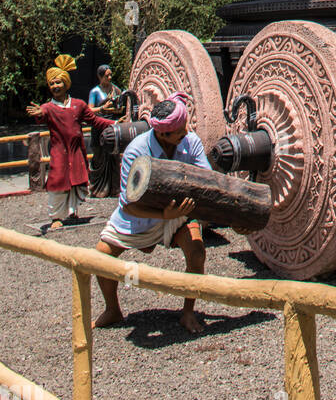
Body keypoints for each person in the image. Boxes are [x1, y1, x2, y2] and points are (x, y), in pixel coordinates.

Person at [94, 93, 209, 335]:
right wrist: (162, 215)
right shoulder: (136, 152)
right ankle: (112, 309)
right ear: (162, 134)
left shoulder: (192, 142)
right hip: (140, 216)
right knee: (101, 256)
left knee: (197, 252)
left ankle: (188, 313)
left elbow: (209, 182)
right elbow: (128, 204)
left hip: (179, 214)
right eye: (180, 130)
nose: (186, 133)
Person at [26, 56, 114, 229]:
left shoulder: (78, 105)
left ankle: (72, 212)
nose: (55, 86)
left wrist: (116, 124)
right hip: (59, 152)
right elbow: (42, 113)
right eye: (52, 84)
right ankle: (56, 216)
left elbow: (95, 120)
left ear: (66, 83)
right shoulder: (49, 108)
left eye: (58, 82)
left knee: (76, 181)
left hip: (76, 151)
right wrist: (38, 112)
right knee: (58, 181)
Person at [88, 65, 125, 198]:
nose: (109, 78)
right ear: (100, 77)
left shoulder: (116, 90)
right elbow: (89, 110)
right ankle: (98, 188)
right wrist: (102, 108)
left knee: (113, 155)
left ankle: (114, 187)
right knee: (99, 155)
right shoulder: (95, 92)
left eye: (110, 75)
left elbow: (121, 108)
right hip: (99, 125)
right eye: (106, 76)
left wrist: (113, 110)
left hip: (113, 125)